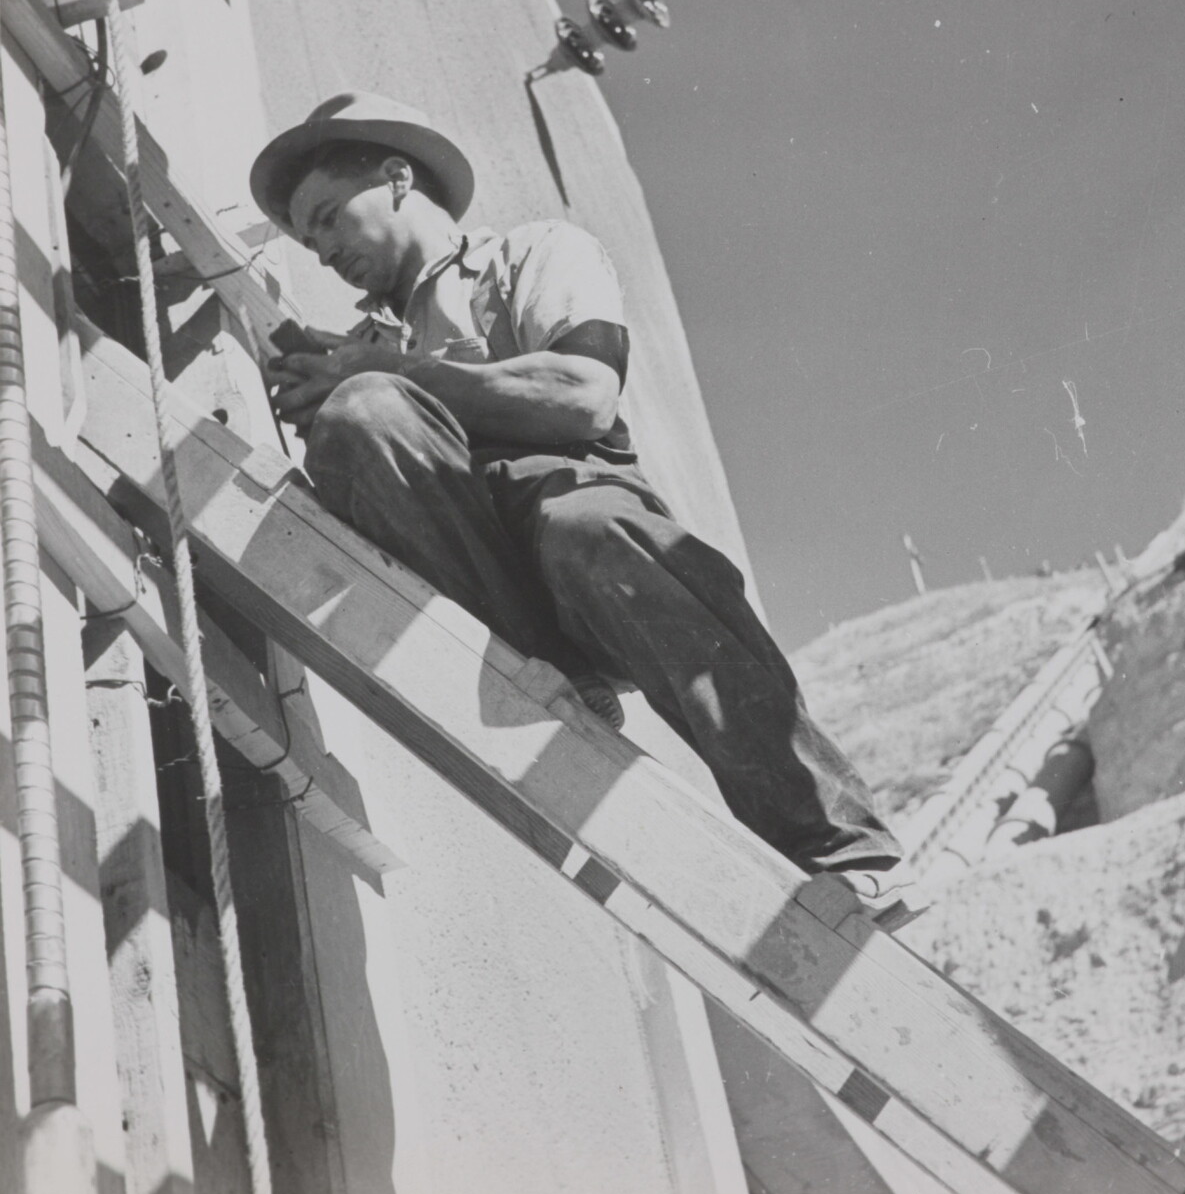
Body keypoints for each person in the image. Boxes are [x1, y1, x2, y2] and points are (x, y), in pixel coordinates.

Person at [250, 92, 918, 925]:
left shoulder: (536, 254)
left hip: (587, 550)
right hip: (495, 593)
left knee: (591, 531)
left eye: (327, 217)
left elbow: (583, 395)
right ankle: (541, 676)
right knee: (358, 417)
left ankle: (842, 847)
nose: (322, 250)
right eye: (308, 239)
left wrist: (395, 371)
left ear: (394, 178)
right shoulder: (366, 355)